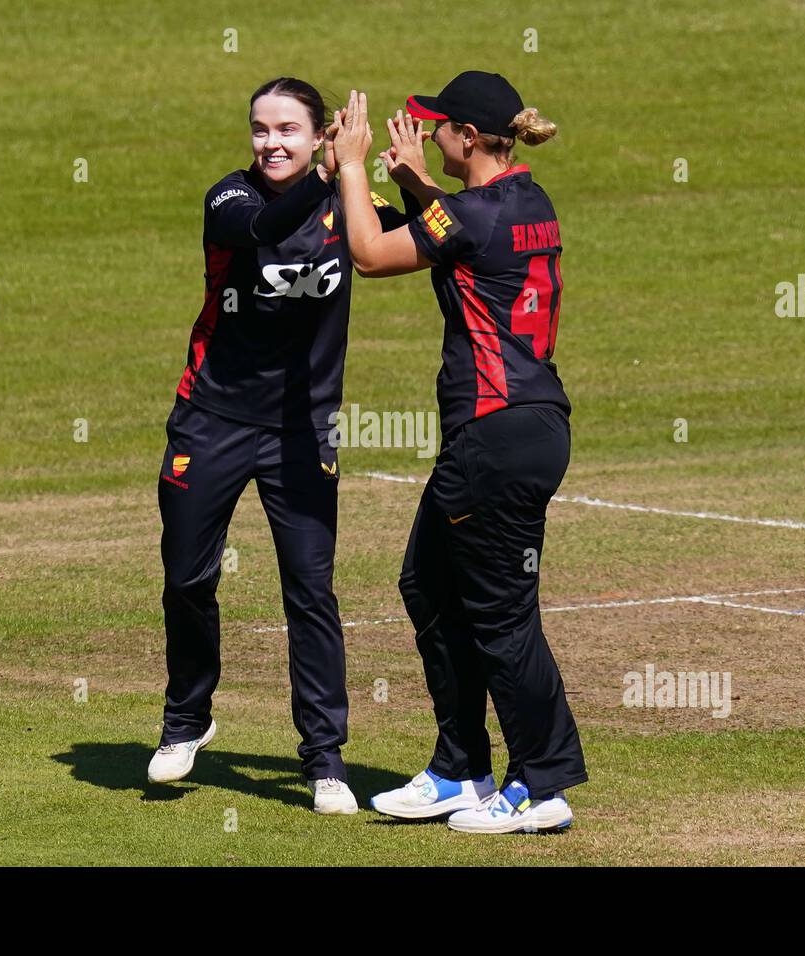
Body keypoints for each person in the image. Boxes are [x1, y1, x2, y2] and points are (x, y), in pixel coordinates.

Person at [149, 77, 418, 815]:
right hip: (212, 418)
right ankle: (187, 720)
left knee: (309, 589)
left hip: (303, 429)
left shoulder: (344, 199)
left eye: (288, 130)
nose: (271, 143)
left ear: (322, 135)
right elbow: (267, 233)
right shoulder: (230, 200)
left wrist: (411, 178)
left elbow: (431, 239)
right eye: (261, 129)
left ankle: (325, 760)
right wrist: (334, 174)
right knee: (186, 577)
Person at [329, 72, 587, 833]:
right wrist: (411, 178)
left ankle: (543, 785)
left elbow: (372, 255)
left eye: (438, 129)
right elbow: (462, 237)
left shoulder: (472, 215)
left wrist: (351, 166)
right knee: (429, 586)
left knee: (502, 618)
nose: (428, 135)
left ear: (469, 140)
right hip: (526, 428)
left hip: (494, 436)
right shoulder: (527, 200)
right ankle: (459, 770)